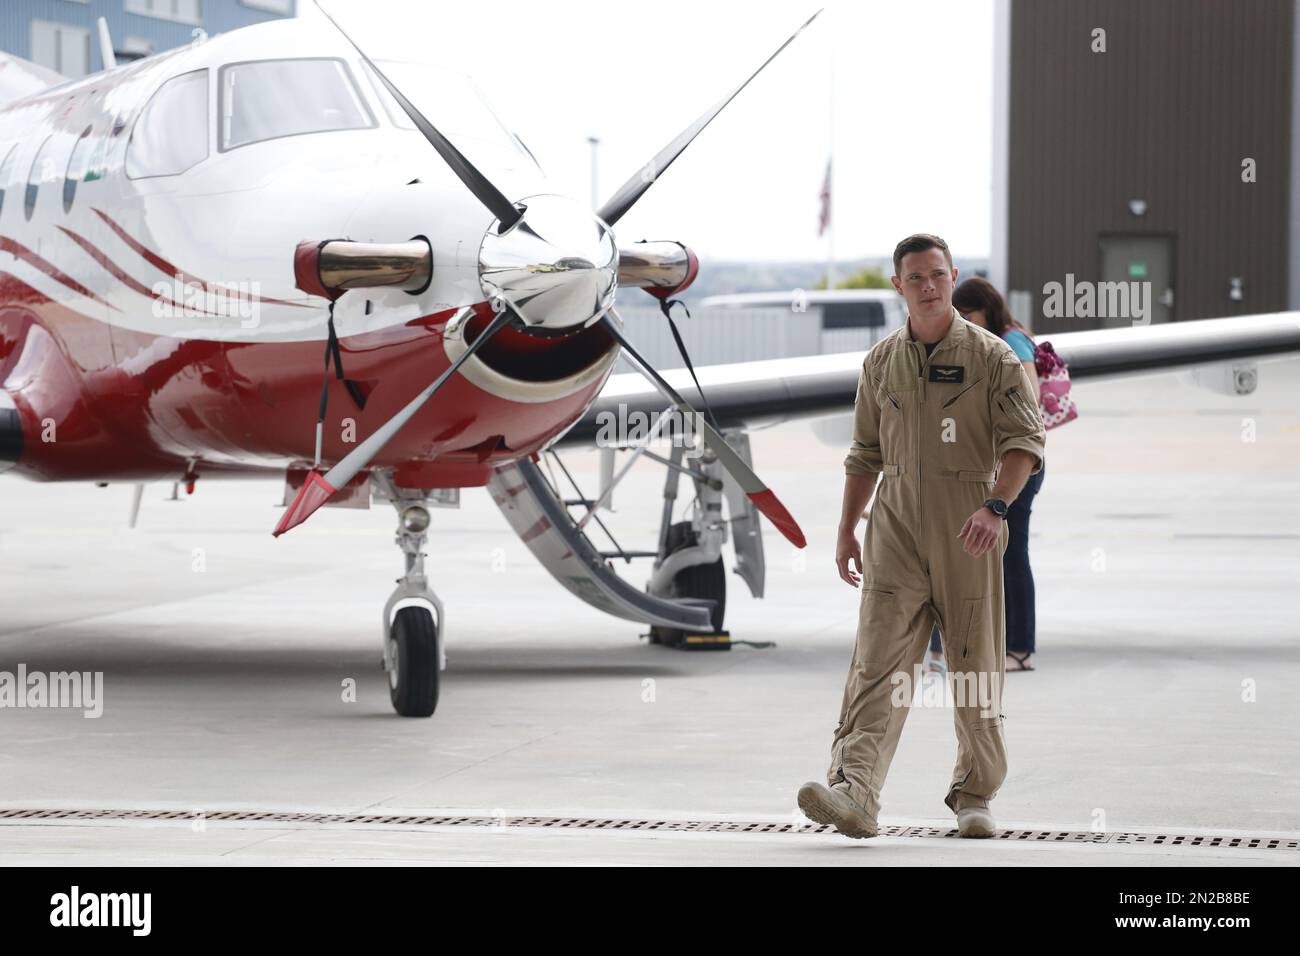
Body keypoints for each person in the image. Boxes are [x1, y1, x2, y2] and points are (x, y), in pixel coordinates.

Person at [797, 234, 1046, 840]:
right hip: (895, 529)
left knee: (974, 666)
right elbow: (864, 454)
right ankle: (853, 790)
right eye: (916, 277)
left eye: (938, 275)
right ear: (898, 286)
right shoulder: (881, 362)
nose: (929, 286)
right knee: (877, 663)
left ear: (953, 276)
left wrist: (996, 508)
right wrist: (846, 529)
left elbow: (1026, 443)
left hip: (969, 529)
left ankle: (975, 795)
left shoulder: (994, 358)